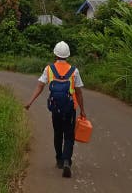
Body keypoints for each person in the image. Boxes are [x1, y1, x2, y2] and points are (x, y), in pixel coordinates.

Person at [23, 41, 85, 178]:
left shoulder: (49, 69)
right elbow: (79, 93)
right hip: (70, 108)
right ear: (67, 55)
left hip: (55, 108)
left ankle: (59, 160)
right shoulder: (74, 70)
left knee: (58, 133)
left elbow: (40, 87)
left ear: (55, 54)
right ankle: (67, 160)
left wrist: (30, 102)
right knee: (69, 136)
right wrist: (83, 110)